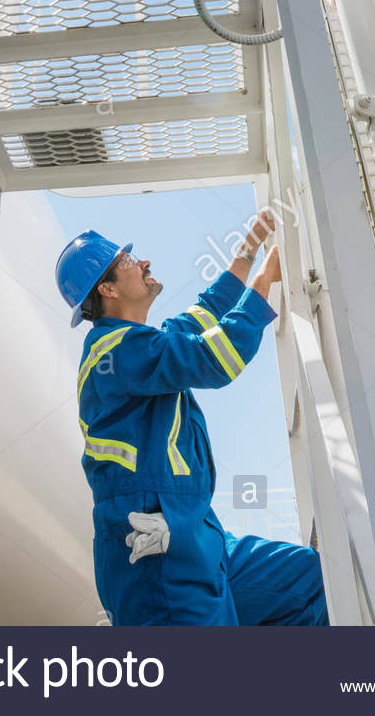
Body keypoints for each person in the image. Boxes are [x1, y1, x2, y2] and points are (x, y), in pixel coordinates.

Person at [55, 211, 329, 626]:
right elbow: (213, 358)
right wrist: (262, 284)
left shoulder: (141, 345)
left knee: (308, 581)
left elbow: (200, 317)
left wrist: (247, 253)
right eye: (128, 262)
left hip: (195, 530)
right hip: (154, 542)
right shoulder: (112, 352)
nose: (143, 262)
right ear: (108, 288)